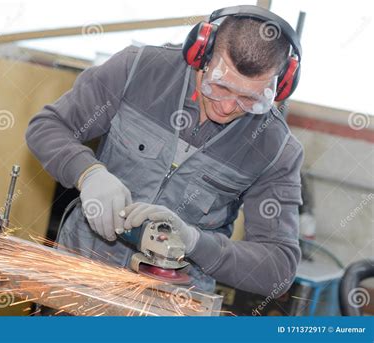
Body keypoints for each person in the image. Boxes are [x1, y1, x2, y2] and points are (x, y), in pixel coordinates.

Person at [26, 5, 304, 296]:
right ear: (202, 53)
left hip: (170, 303)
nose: (227, 107)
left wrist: (194, 242)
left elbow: (277, 270)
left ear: (280, 87)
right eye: (219, 87)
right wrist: (89, 173)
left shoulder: (275, 148)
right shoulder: (138, 70)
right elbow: (48, 126)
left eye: (250, 99)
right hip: (79, 279)